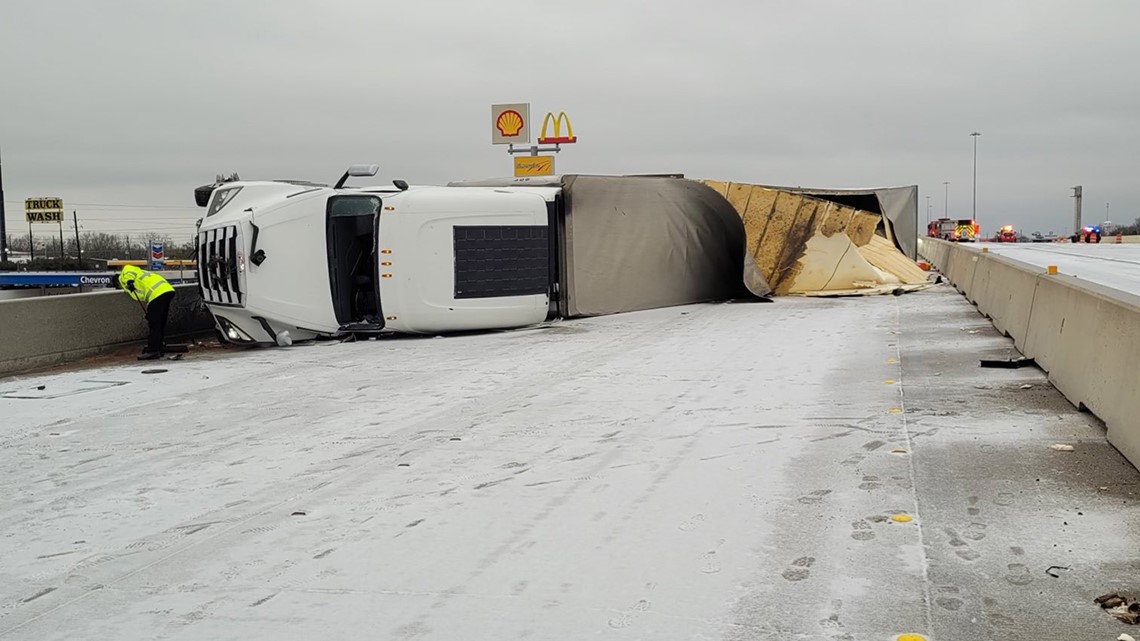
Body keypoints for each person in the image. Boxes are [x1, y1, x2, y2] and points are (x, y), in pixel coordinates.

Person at [114, 265, 176, 360]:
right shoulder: (140, 276)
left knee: (154, 325)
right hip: (166, 290)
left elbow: (129, 273)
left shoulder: (124, 274)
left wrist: (128, 282)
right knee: (159, 322)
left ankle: (153, 351)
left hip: (158, 293)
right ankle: (159, 347)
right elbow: (147, 298)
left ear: (117, 282)